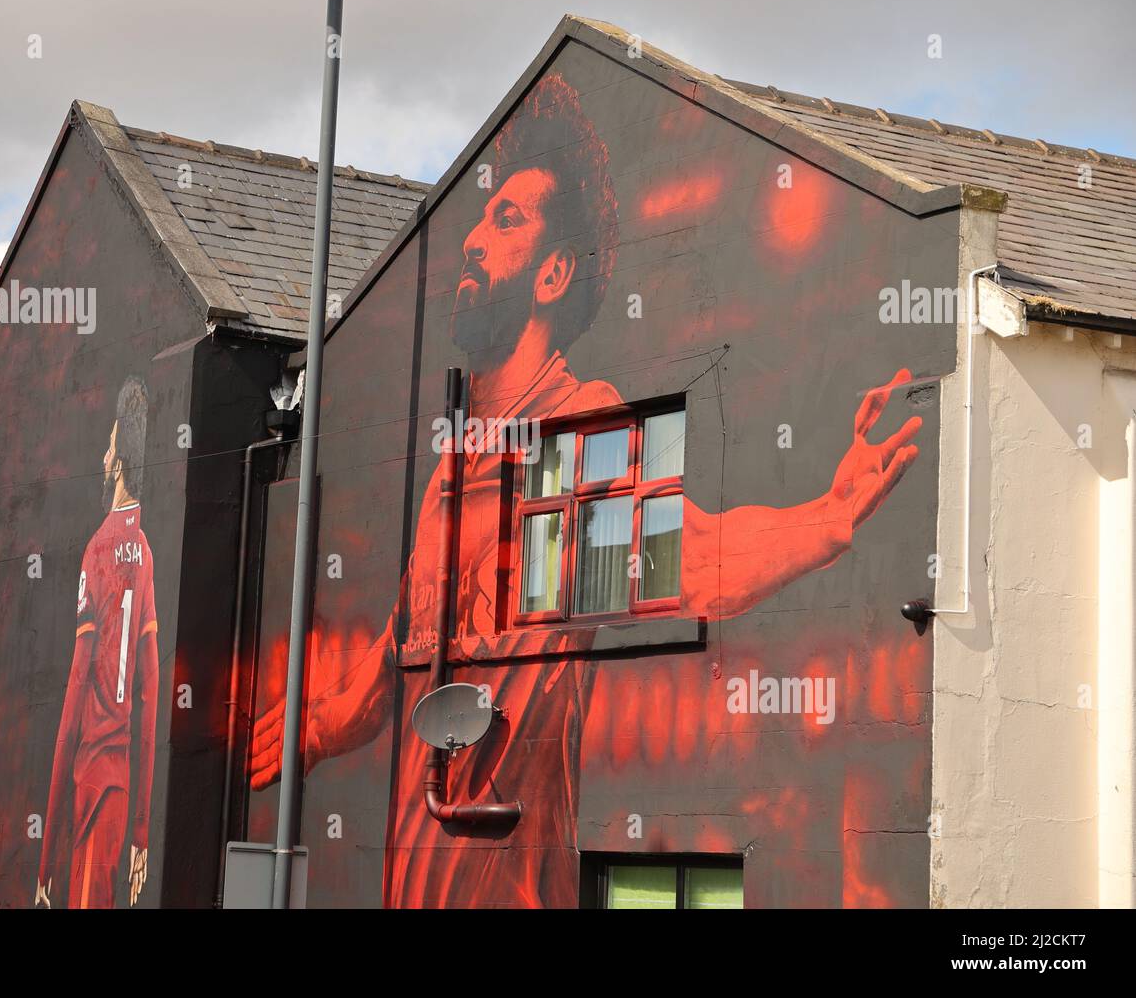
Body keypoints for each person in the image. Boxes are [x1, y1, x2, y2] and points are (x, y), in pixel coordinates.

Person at [251, 74, 920, 906]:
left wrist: (827, 514)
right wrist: (301, 731)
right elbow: (397, 662)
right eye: (481, 217)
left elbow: (697, 556)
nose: (472, 239)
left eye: (507, 221)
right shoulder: (448, 474)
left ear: (554, 272)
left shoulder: (576, 427)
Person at [36, 377, 159, 908]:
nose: (103, 453)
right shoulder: (146, 552)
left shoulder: (99, 549)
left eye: (110, 443)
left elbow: (71, 701)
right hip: (122, 786)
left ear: (121, 460)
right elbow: (151, 702)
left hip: (89, 784)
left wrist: (44, 862)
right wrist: (142, 833)